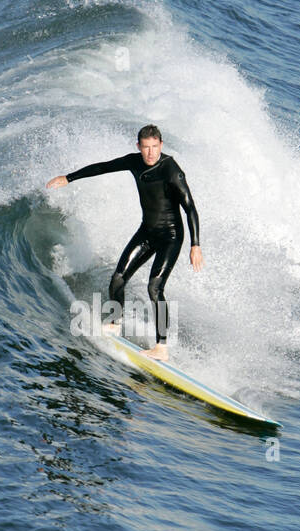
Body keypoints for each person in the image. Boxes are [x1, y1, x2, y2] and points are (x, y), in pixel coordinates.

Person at [46, 124, 203, 361]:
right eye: (146, 148)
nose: (150, 153)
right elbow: (104, 167)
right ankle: (115, 323)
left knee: (154, 288)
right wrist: (69, 178)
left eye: (154, 147)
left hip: (171, 236)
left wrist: (195, 245)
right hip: (147, 232)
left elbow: (190, 208)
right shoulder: (134, 161)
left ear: (161, 145)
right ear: (138, 147)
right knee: (118, 279)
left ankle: (161, 347)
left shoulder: (172, 171)